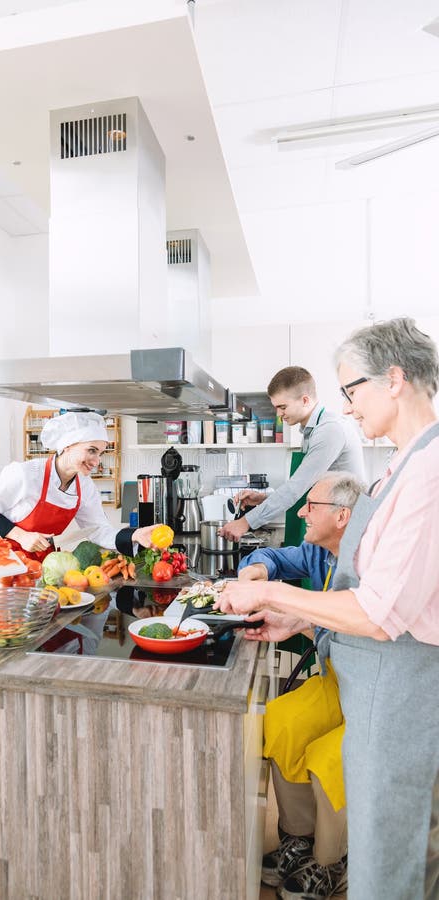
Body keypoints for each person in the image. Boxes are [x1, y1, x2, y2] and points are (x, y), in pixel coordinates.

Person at [216, 318, 439, 900]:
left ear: (394, 379)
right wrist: (304, 618)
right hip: (372, 688)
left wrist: (268, 593)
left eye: (351, 390)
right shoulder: (400, 465)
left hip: (399, 692)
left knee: (394, 858)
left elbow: (379, 614)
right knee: (376, 848)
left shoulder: (429, 472)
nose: (346, 406)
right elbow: (382, 592)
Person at [238, 471, 364, 900]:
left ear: (343, 516)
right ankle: (299, 841)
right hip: (336, 679)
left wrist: (299, 620)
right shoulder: (319, 554)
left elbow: (365, 629)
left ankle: (333, 862)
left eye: (313, 505)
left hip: (372, 690)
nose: (301, 512)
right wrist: (254, 572)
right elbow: (276, 559)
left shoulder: (369, 562)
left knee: (329, 755)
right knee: (282, 718)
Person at [0, 411, 158, 564]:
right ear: (67, 445)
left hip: (40, 569)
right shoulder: (26, 474)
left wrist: (135, 535)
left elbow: (97, 530)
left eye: (100, 453)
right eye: (91, 450)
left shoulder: (85, 486)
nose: (97, 461)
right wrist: (21, 536)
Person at [218, 366, 365, 547]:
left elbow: (297, 488)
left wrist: (245, 522)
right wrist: (263, 498)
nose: (279, 415)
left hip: (345, 531)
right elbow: (305, 483)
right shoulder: (313, 430)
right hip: (332, 525)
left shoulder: (329, 430)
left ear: (305, 400)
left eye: (282, 407)